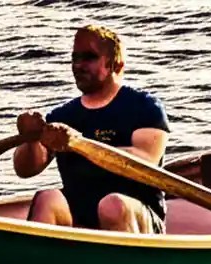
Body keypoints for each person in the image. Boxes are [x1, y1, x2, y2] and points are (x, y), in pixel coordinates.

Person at [13, 25, 170, 234]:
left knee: (112, 206)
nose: (78, 65)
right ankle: (38, 263)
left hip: (137, 216)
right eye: (75, 58)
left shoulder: (144, 107)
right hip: (81, 215)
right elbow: (25, 170)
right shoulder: (62, 116)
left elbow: (145, 160)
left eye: (89, 57)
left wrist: (78, 144)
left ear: (115, 64)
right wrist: (30, 139)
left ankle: (128, 263)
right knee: (47, 198)